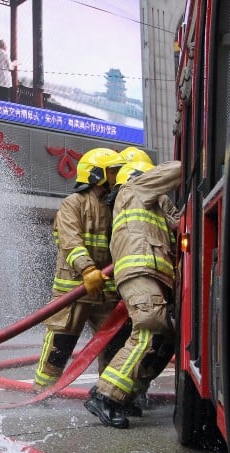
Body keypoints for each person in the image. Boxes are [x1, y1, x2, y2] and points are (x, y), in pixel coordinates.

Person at [83, 160, 180, 428]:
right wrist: (203, 160)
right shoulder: (133, 190)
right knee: (149, 329)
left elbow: (178, 223)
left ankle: (127, 395)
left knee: (165, 338)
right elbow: (176, 170)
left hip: (152, 275)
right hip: (141, 272)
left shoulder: (150, 207)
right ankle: (105, 396)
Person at [33, 148, 127, 392]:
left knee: (113, 343)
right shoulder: (72, 204)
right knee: (59, 345)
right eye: (113, 171)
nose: (117, 176)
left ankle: (108, 395)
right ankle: (43, 391)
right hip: (73, 290)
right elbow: (70, 241)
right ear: (97, 175)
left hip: (105, 291)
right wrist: (86, 269)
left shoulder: (113, 206)